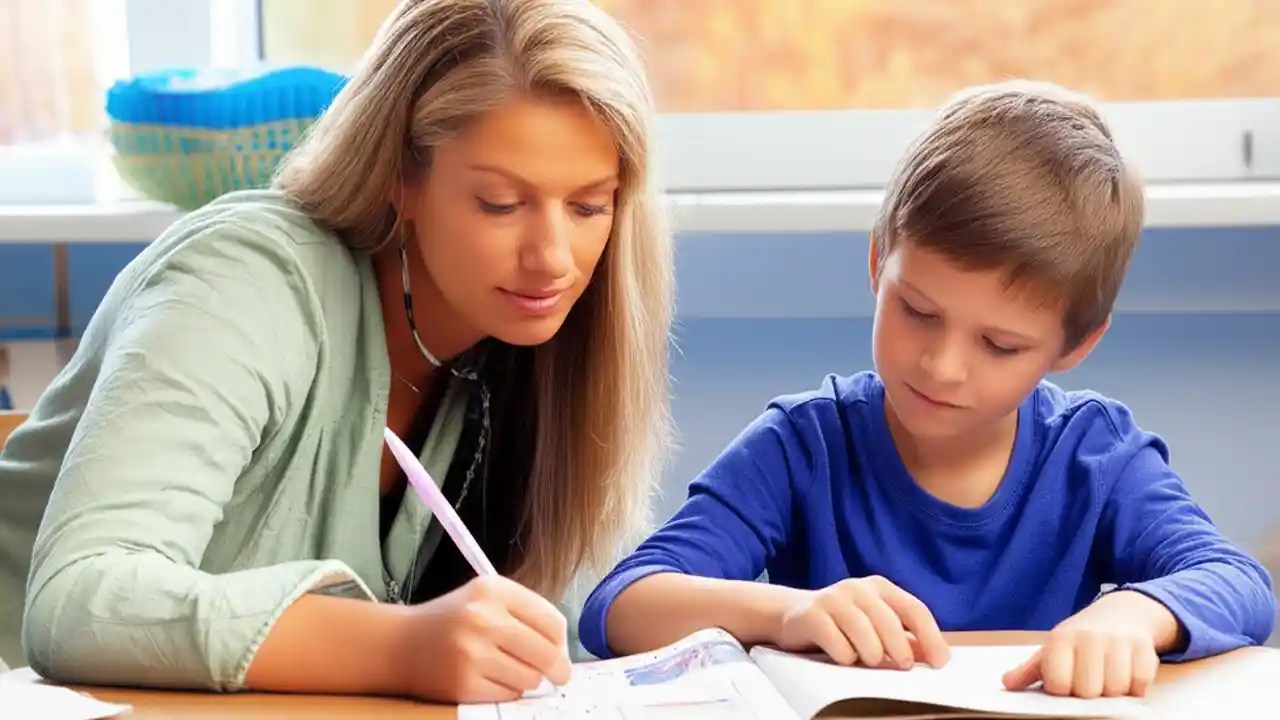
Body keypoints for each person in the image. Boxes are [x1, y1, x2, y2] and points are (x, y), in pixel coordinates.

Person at [0, 0, 673, 704]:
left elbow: (576, 636)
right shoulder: (243, 280)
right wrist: (406, 646)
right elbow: (79, 601)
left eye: (590, 206)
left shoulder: (522, 349)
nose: (553, 258)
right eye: (501, 203)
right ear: (400, 177)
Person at [578, 80, 1275, 699]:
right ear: (880, 261)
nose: (941, 366)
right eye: (918, 311)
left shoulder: (1096, 455)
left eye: (999, 345)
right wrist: (788, 612)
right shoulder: (805, 444)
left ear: (1075, 346)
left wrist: (1134, 613)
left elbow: (1239, 583)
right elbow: (618, 607)